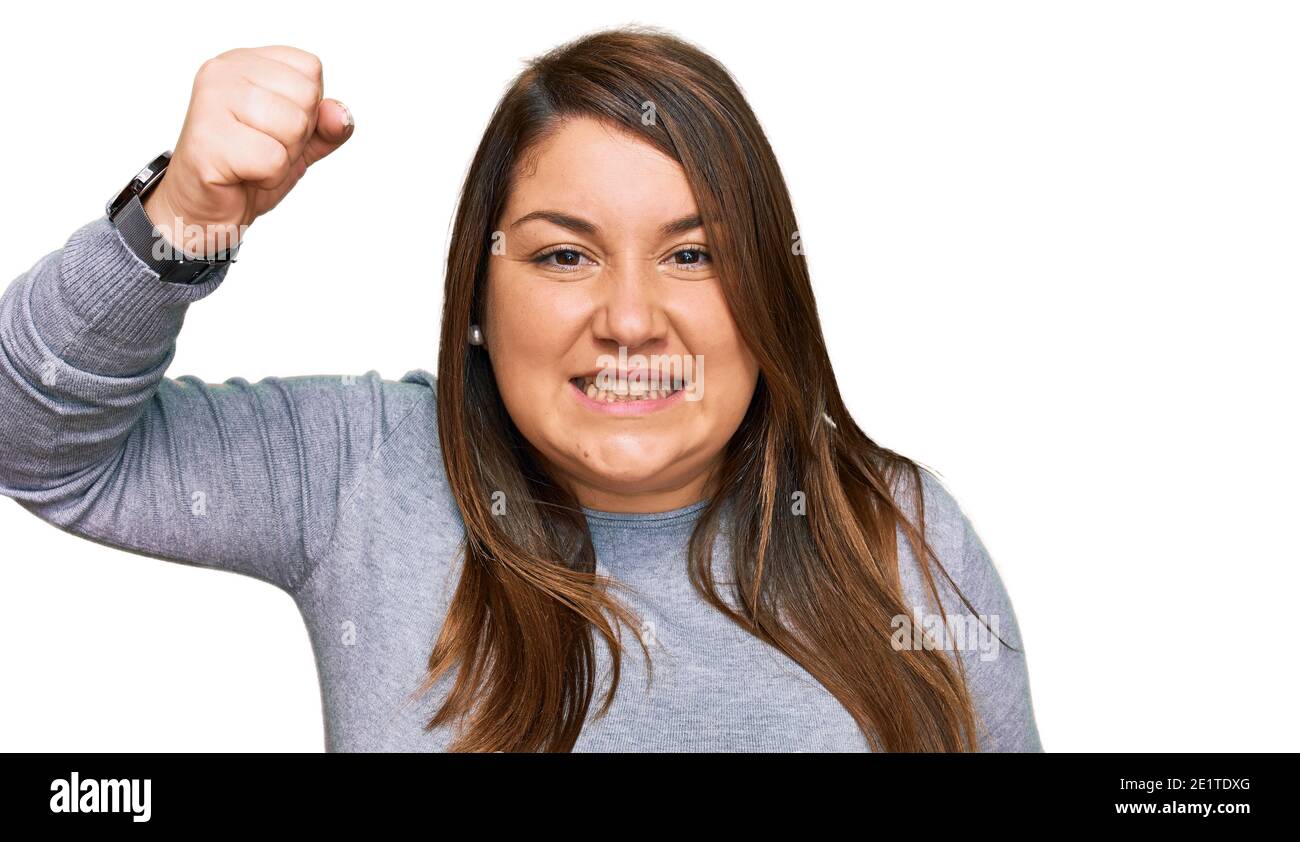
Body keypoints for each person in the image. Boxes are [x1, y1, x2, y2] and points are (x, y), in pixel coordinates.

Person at [0, 27, 1043, 752]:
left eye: (692, 257)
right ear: (476, 296)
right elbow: (35, 441)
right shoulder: (362, 470)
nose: (632, 319)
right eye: (561, 257)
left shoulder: (899, 535)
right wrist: (184, 214)